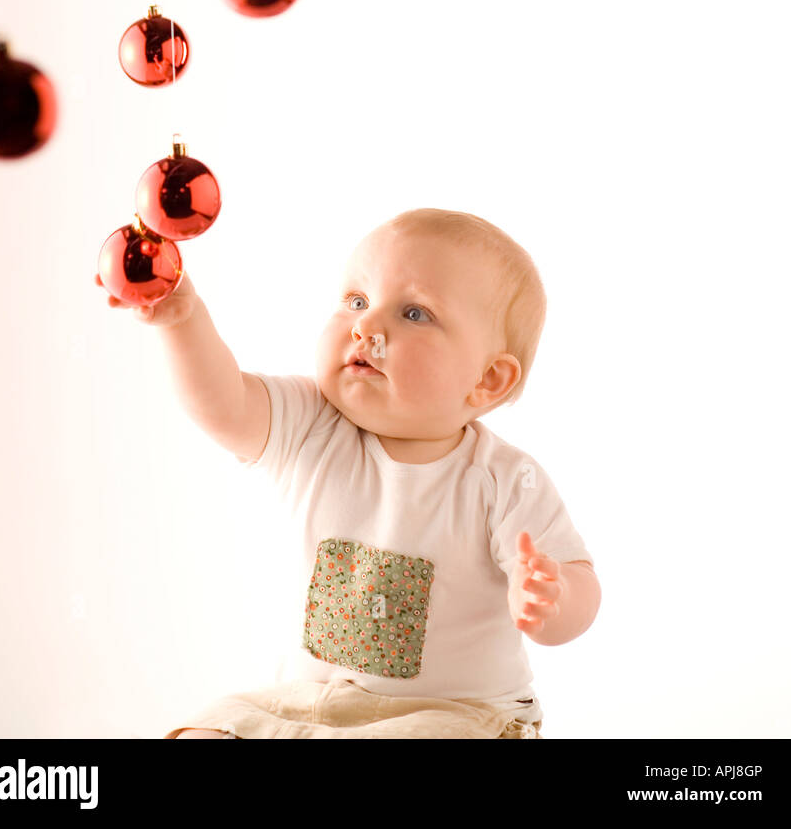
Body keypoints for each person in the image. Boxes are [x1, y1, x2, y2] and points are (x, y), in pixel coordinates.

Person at [97, 207, 600, 739]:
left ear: (487, 380)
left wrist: (554, 596)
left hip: (455, 715)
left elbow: (580, 578)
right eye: (357, 301)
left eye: (414, 314)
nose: (365, 326)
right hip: (307, 706)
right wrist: (183, 320)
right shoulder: (312, 423)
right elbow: (223, 403)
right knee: (213, 728)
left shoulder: (502, 480)